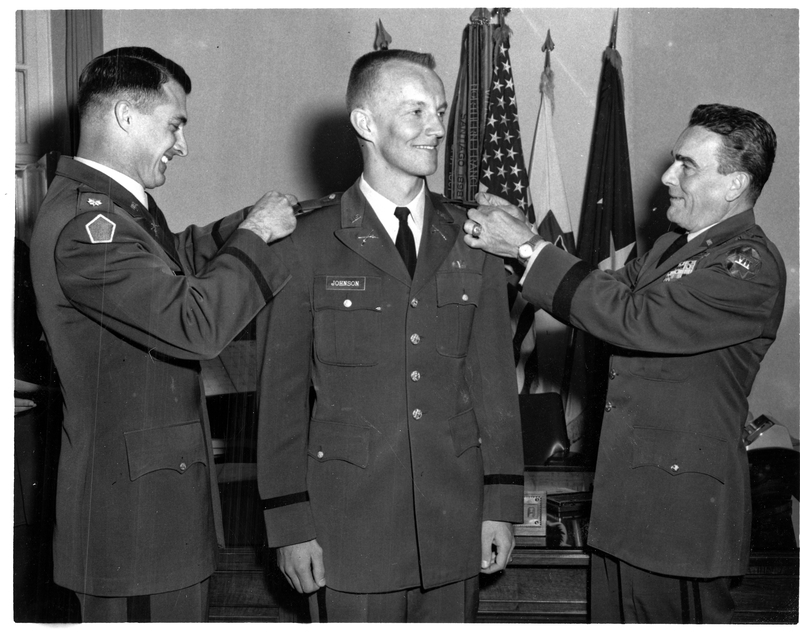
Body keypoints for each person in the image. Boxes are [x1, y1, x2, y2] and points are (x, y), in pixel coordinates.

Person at [462, 103, 786, 623]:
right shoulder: (668, 250)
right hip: (627, 507)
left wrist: (528, 246)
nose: (665, 176)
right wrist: (521, 241)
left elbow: (634, 317)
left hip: (680, 520)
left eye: (687, 165)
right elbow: (598, 291)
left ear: (734, 184)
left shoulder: (747, 265)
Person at [28, 46, 297, 622]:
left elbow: (174, 260)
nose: (183, 145)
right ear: (126, 115)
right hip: (135, 532)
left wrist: (245, 225)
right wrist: (253, 235)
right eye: (174, 124)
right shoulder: (87, 225)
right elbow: (193, 323)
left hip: (156, 520)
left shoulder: (119, 213)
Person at [255, 49, 524, 623]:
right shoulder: (304, 241)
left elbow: (495, 384)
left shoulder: (474, 237)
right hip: (348, 526)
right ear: (365, 123)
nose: (438, 128)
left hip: (454, 520)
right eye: (417, 111)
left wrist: (499, 504)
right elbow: (280, 397)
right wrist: (289, 523)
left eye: (441, 110)